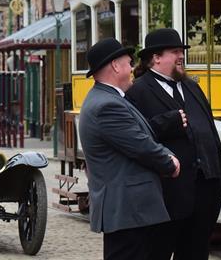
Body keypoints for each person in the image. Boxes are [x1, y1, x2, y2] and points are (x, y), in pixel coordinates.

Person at [126, 29, 221, 260]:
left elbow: (210, 131)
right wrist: (164, 124)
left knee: (196, 252)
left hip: (205, 191)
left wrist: (220, 176)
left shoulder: (192, 87)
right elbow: (134, 138)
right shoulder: (139, 91)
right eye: (175, 52)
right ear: (156, 58)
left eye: (182, 51)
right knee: (158, 252)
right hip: (167, 195)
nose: (181, 56)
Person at [77, 38, 181, 260]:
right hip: (128, 210)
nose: (133, 67)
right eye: (128, 61)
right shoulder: (107, 105)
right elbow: (140, 145)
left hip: (131, 211)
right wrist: (169, 160)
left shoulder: (108, 99)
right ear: (115, 66)